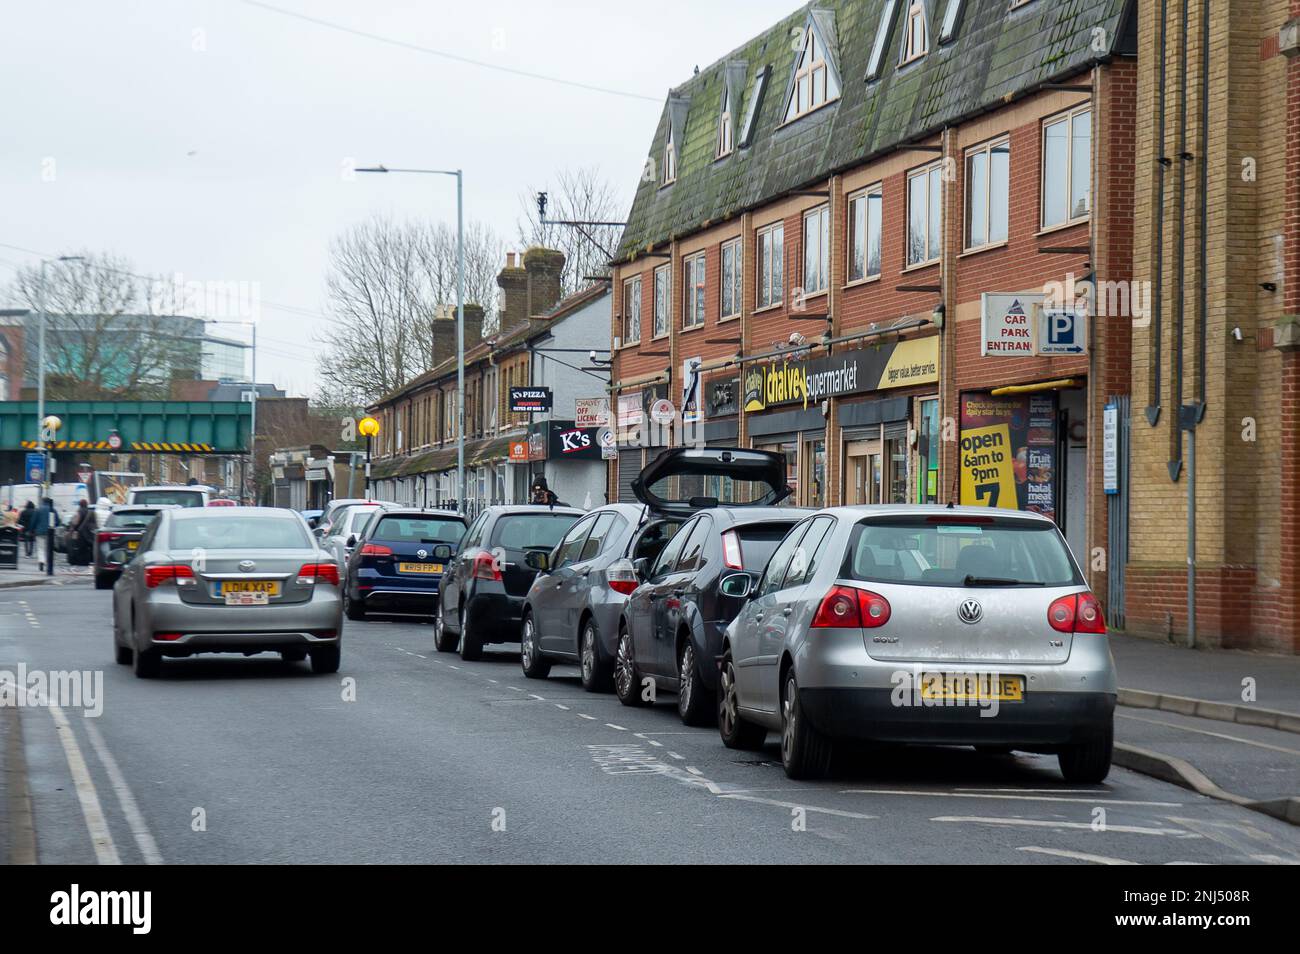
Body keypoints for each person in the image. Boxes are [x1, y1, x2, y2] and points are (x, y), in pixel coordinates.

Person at [31, 497, 59, 573]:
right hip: (50, 532)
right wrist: (54, 526)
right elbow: (57, 522)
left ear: (43, 502)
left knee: (40, 548)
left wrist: (31, 530)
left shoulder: (38, 510)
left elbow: (34, 521)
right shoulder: (53, 510)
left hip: (39, 532)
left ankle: (41, 561)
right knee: (48, 548)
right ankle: (47, 562)